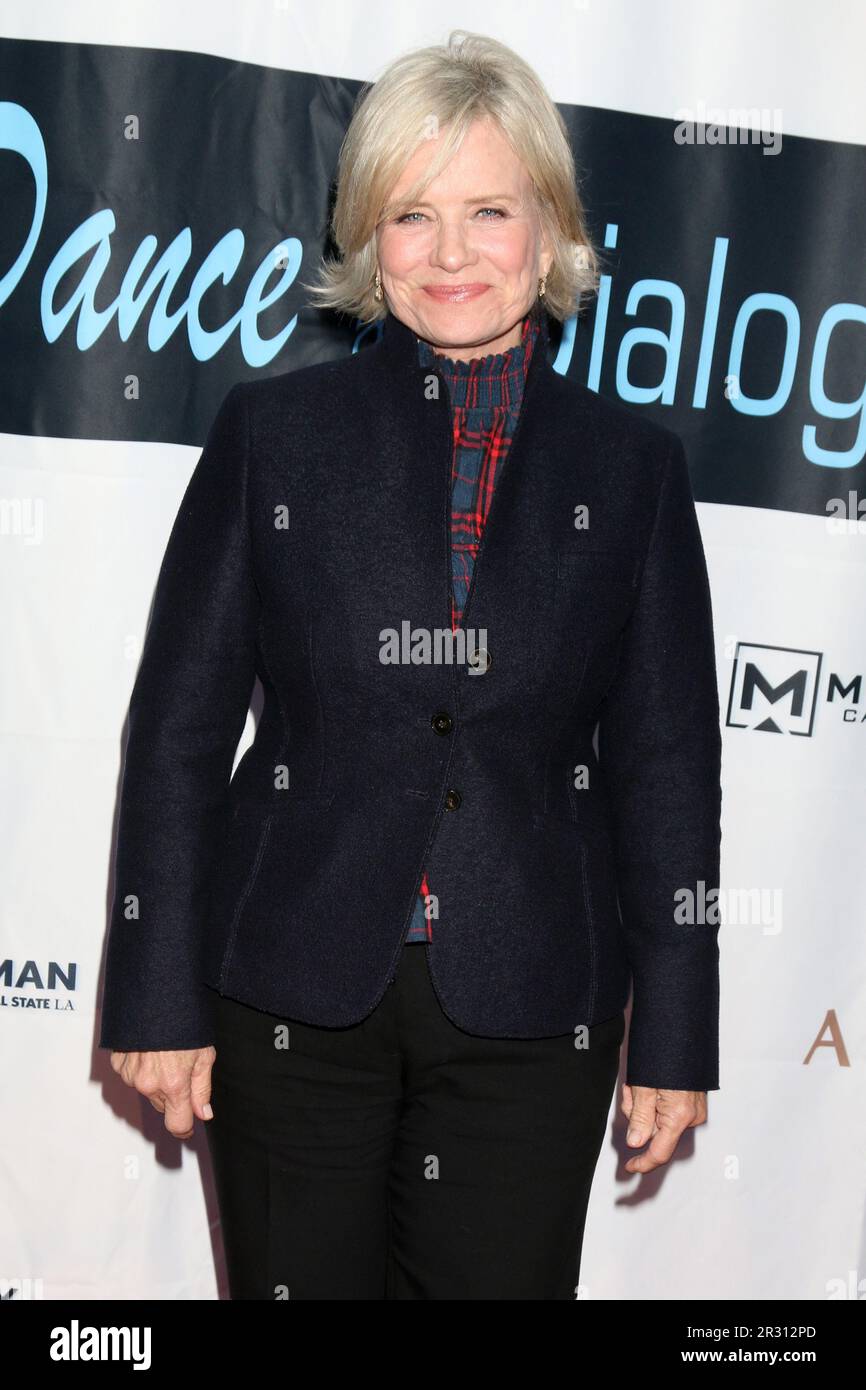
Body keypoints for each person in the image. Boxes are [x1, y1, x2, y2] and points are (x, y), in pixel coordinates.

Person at [100, 30, 723, 1300]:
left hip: (530, 998)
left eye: (488, 210)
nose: (449, 254)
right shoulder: (273, 439)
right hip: (289, 987)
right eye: (411, 214)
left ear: (548, 231)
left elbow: (666, 768)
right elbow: (176, 730)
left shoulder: (631, 470)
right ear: (367, 242)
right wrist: (154, 996)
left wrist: (675, 1025)